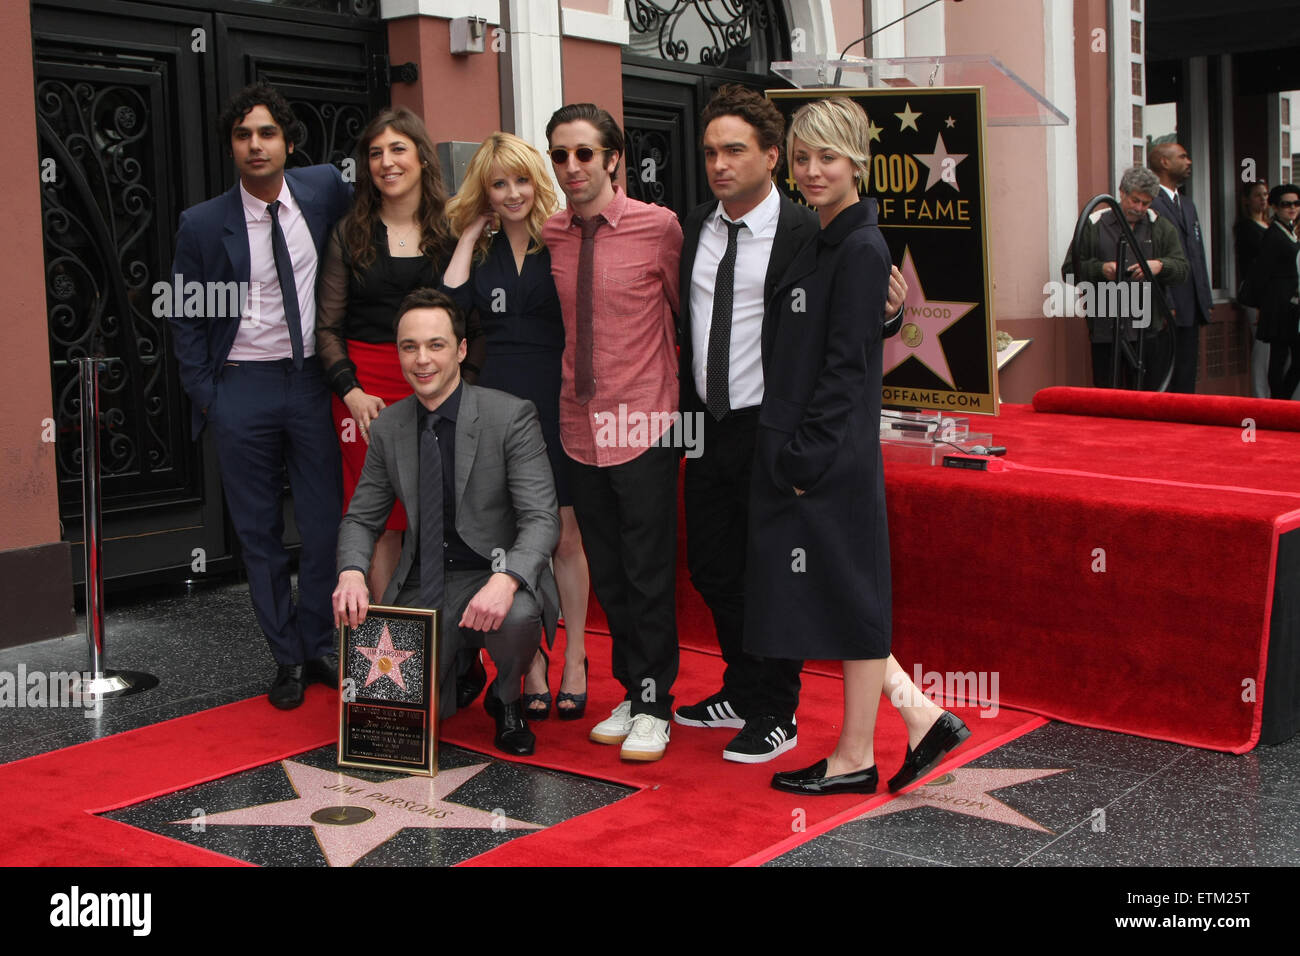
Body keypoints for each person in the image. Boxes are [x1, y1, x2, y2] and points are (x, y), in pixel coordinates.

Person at [674, 85, 915, 763]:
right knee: (713, 569)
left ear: (769, 156)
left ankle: (775, 709)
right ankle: (743, 687)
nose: (720, 164)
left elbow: (851, 322)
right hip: (708, 424)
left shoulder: (812, 228)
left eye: (734, 150)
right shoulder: (694, 226)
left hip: (772, 424)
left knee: (771, 574)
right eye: (711, 152)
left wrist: (889, 315)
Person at [745, 97, 969, 796]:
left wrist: (805, 457)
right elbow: (832, 338)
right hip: (807, 446)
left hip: (825, 455)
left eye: (828, 158)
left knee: (850, 601)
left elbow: (845, 369)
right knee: (842, 598)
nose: (813, 170)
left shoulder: (862, 246)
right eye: (804, 157)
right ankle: (914, 721)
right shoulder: (825, 235)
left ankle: (856, 756)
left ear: (858, 164)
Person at [169, 83, 352, 710]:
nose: (255, 144)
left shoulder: (325, 189)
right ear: (232, 146)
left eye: (267, 133)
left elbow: (379, 230)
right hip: (240, 386)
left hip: (310, 383)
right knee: (259, 532)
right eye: (244, 135)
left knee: (326, 522)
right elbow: (185, 316)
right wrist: (209, 397)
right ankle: (286, 659)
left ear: (288, 142)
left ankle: (317, 642)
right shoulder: (201, 224)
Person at [333, 288, 561, 756]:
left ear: (460, 350)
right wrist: (352, 572)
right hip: (425, 581)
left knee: (518, 617)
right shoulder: (391, 426)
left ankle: (508, 698)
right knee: (388, 735)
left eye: (436, 345)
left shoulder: (510, 415)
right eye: (409, 346)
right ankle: (459, 666)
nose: (422, 359)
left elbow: (541, 518)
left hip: (493, 574)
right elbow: (360, 518)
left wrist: (509, 578)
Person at [543, 103, 683, 761]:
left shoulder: (659, 229)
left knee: (649, 571)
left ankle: (657, 703)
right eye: (560, 155)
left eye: (583, 154)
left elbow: (686, 316)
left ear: (613, 159)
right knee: (613, 575)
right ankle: (634, 689)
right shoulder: (553, 233)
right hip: (580, 428)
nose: (571, 167)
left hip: (646, 421)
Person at [443, 133, 591, 722]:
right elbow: (448, 308)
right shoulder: (478, 255)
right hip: (495, 400)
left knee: (564, 535)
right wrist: (470, 234)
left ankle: (576, 656)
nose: (511, 193)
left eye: (521, 180)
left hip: (557, 398)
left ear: (538, 182)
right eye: (498, 183)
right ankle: (530, 662)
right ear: (485, 189)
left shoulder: (563, 238)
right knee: (508, 531)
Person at [316, 107, 457, 602]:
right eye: (375, 153)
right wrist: (350, 392)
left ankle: (450, 649)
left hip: (435, 383)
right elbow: (327, 327)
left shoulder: (451, 230)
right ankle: (391, 654)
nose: (386, 162)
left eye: (398, 149)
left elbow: (472, 321)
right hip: (365, 393)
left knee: (442, 510)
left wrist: (460, 388)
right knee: (379, 517)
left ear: (421, 156)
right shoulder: (348, 233)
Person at [1060, 165, 1187, 388]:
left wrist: (1159, 266)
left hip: (1149, 330)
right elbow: (1070, 270)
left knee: (1149, 400)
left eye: (1145, 203)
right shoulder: (1094, 224)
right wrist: (1102, 270)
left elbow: (1182, 270)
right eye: (1134, 200)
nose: (1139, 208)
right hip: (1105, 329)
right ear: (1121, 192)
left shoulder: (1161, 227)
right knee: (1108, 399)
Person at [1148, 143, 1212, 393]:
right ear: (1164, 162)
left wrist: (1204, 297)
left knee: (1186, 374)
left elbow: (1197, 254)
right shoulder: (1151, 203)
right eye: (1183, 157)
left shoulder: (1188, 204)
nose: (1189, 162)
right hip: (1168, 306)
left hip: (1191, 304)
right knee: (1165, 373)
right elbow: (1155, 256)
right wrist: (1167, 302)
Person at [1253, 184, 1300, 400]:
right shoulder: (1273, 235)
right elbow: (1262, 273)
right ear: (1274, 207)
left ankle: (1283, 398)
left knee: (1294, 358)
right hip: (1278, 304)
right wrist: (1262, 305)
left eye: (1296, 203)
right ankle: (1278, 401)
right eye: (1286, 204)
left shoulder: (1290, 229)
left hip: (1292, 303)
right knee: (1279, 356)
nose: (1292, 208)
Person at [1234, 180, 1271, 398]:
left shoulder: (1273, 225)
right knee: (1263, 344)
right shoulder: (1246, 228)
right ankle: (1260, 396)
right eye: (1258, 195)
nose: (1263, 199)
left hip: (1275, 293)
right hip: (1255, 292)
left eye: (1265, 194)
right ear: (1247, 200)